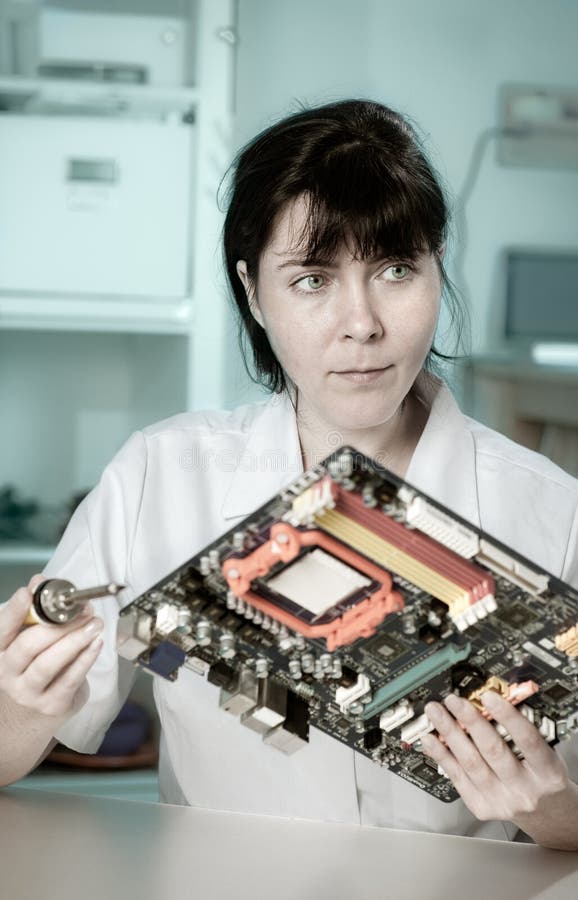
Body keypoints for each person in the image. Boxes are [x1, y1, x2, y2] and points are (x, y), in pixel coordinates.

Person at [1, 99, 577, 849]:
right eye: (312, 279)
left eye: (397, 269)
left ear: (438, 266)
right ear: (252, 292)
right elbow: (17, 756)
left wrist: (551, 810)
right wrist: (22, 702)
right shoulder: (163, 477)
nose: (362, 323)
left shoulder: (550, 509)